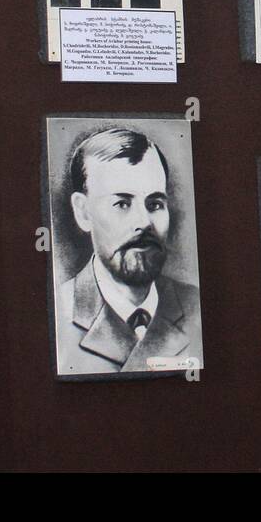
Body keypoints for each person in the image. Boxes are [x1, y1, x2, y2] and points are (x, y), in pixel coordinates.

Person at [53, 127, 202, 375]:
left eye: (155, 204)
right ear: (83, 212)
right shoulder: (60, 313)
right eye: (122, 203)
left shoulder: (196, 306)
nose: (144, 222)